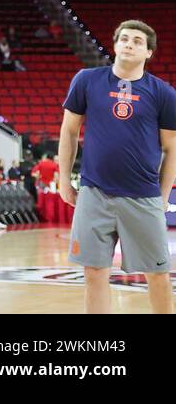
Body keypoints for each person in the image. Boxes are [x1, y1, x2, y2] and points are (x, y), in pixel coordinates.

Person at [58, 19, 176, 315]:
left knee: (158, 275)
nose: (129, 44)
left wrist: (162, 196)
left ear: (149, 52)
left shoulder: (163, 93)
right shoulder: (86, 80)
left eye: (137, 41)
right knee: (94, 273)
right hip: (95, 193)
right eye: (124, 38)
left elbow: (171, 148)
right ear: (115, 45)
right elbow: (69, 132)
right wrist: (63, 180)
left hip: (143, 196)